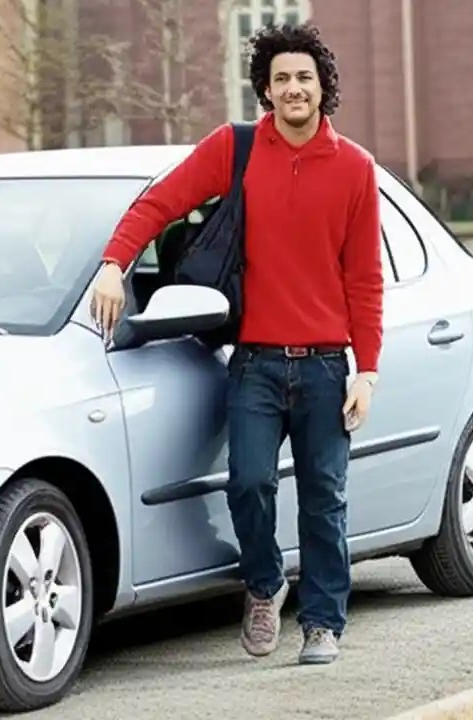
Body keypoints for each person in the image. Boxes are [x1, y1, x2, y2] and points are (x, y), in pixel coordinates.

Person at [89, 22, 383, 665]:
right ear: (266, 89)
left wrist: (367, 370)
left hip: (326, 368)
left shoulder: (355, 168)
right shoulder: (236, 149)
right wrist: (114, 262)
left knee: (324, 499)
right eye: (281, 79)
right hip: (254, 363)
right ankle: (264, 583)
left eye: (304, 77)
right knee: (248, 484)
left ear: (323, 86)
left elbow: (364, 279)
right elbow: (158, 203)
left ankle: (323, 623)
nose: (294, 88)